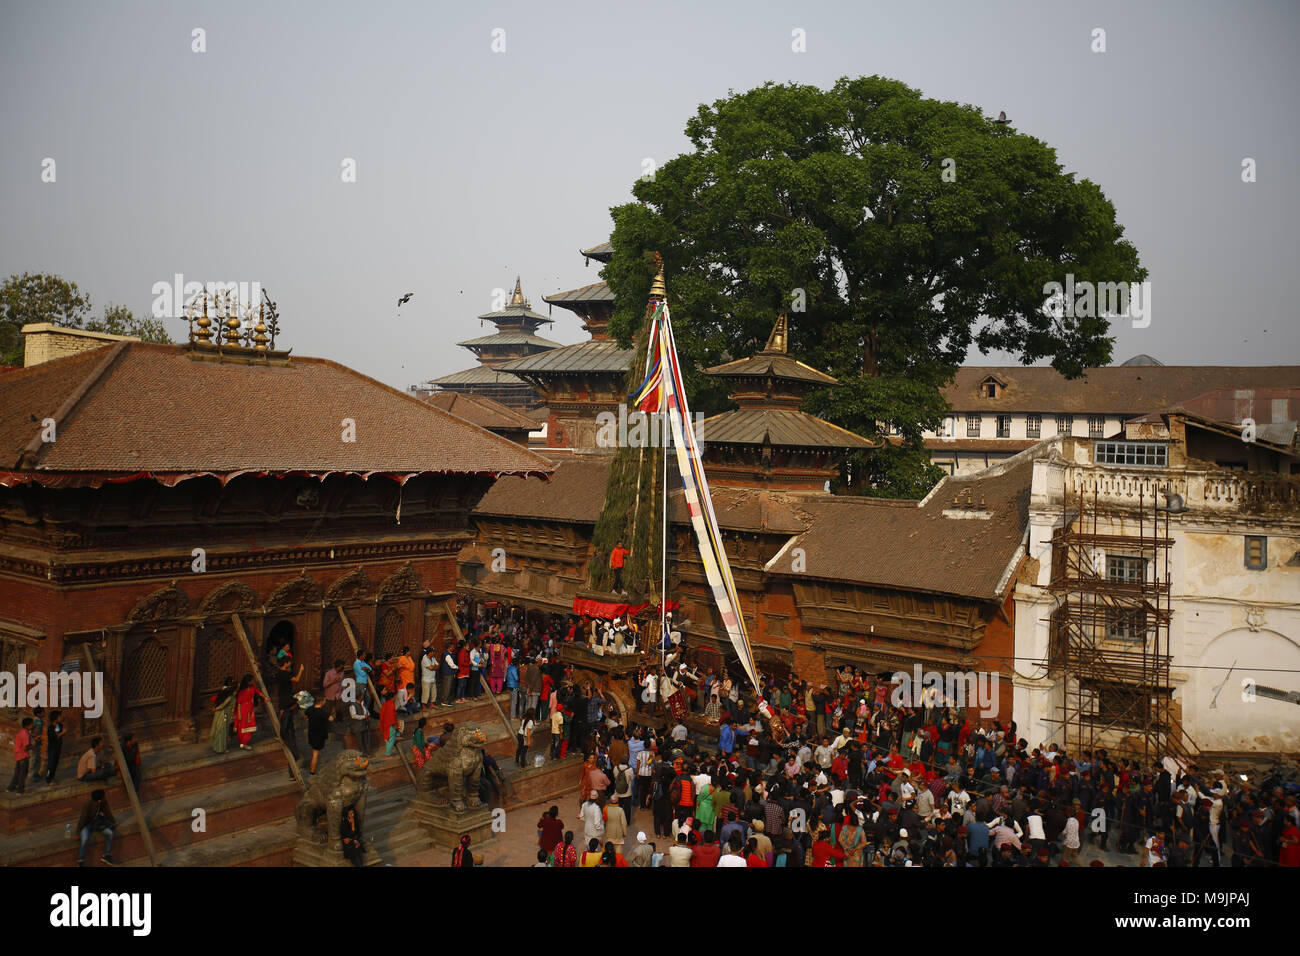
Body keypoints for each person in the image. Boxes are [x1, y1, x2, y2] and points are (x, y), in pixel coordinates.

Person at [76, 789, 119, 867]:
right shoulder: (87, 805)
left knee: (110, 833)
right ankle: (80, 861)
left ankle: (106, 855)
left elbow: (108, 813)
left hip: (97, 823)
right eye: (104, 797)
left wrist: (113, 822)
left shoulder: (103, 803)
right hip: (87, 825)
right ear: (99, 800)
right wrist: (78, 832)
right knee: (85, 839)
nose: (105, 798)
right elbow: (82, 819)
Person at [305, 693, 332, 775]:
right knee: (315, 753)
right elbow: (330, 719)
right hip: (319, 734)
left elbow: (306, 717)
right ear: (322, 702)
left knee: (314, 751)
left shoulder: (309, 709)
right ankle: (312, 771)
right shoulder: (322, 712)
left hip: (311, 732)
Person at [234, 674, 262, 750]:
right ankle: (243, 743)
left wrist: (265, 697)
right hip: (243, 709)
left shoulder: (252, 688)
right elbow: (239, 703)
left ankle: (244, 742)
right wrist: (239, 714)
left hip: (250, 709)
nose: (253, 681)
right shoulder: (241, 691)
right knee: (242, 726)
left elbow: (258, 692)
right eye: (252, 680)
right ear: (248, 681)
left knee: (250, 726)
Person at [5, 717, 33, 794]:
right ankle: (20, 790)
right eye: (31, 724)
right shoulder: (25, 734)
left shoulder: (22, 732)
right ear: (28, 726)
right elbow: (25, 747)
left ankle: (11, 788)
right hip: (23, 756)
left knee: (17, 773)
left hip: (18, 755)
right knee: (22, 774)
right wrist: (32, 746)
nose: (32, 726)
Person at [210, 678, 237, 754]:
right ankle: (220, 748)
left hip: (220, 713)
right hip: (223, 714)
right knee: (222, 731)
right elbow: (224, 704)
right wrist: (217, 708)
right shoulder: (231, 696)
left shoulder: (225, 692)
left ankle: (216, 746)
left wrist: (216, 708)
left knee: (218, 730)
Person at [44, 709, 65, 784]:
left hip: (58, 748)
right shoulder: (50, 728)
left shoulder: (60, 725)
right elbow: (54, 737)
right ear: (55, 718)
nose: (61, 718)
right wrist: (62, 733)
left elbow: (60, 735)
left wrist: (62, 733)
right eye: (59, 717)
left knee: (55, 763)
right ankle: (48, 779)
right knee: (51, 764)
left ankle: (52, 777)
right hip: (52, 748)